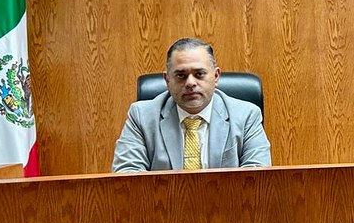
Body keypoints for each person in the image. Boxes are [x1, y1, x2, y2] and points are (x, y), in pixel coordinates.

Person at [112, 38, 271, 172]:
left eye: (199, 74)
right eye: (181, 75)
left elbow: (256, 179)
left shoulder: (246, 115)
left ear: (216, 76)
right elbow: (127, 177)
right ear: (167, 80)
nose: (190, 83)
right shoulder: (141, 116)